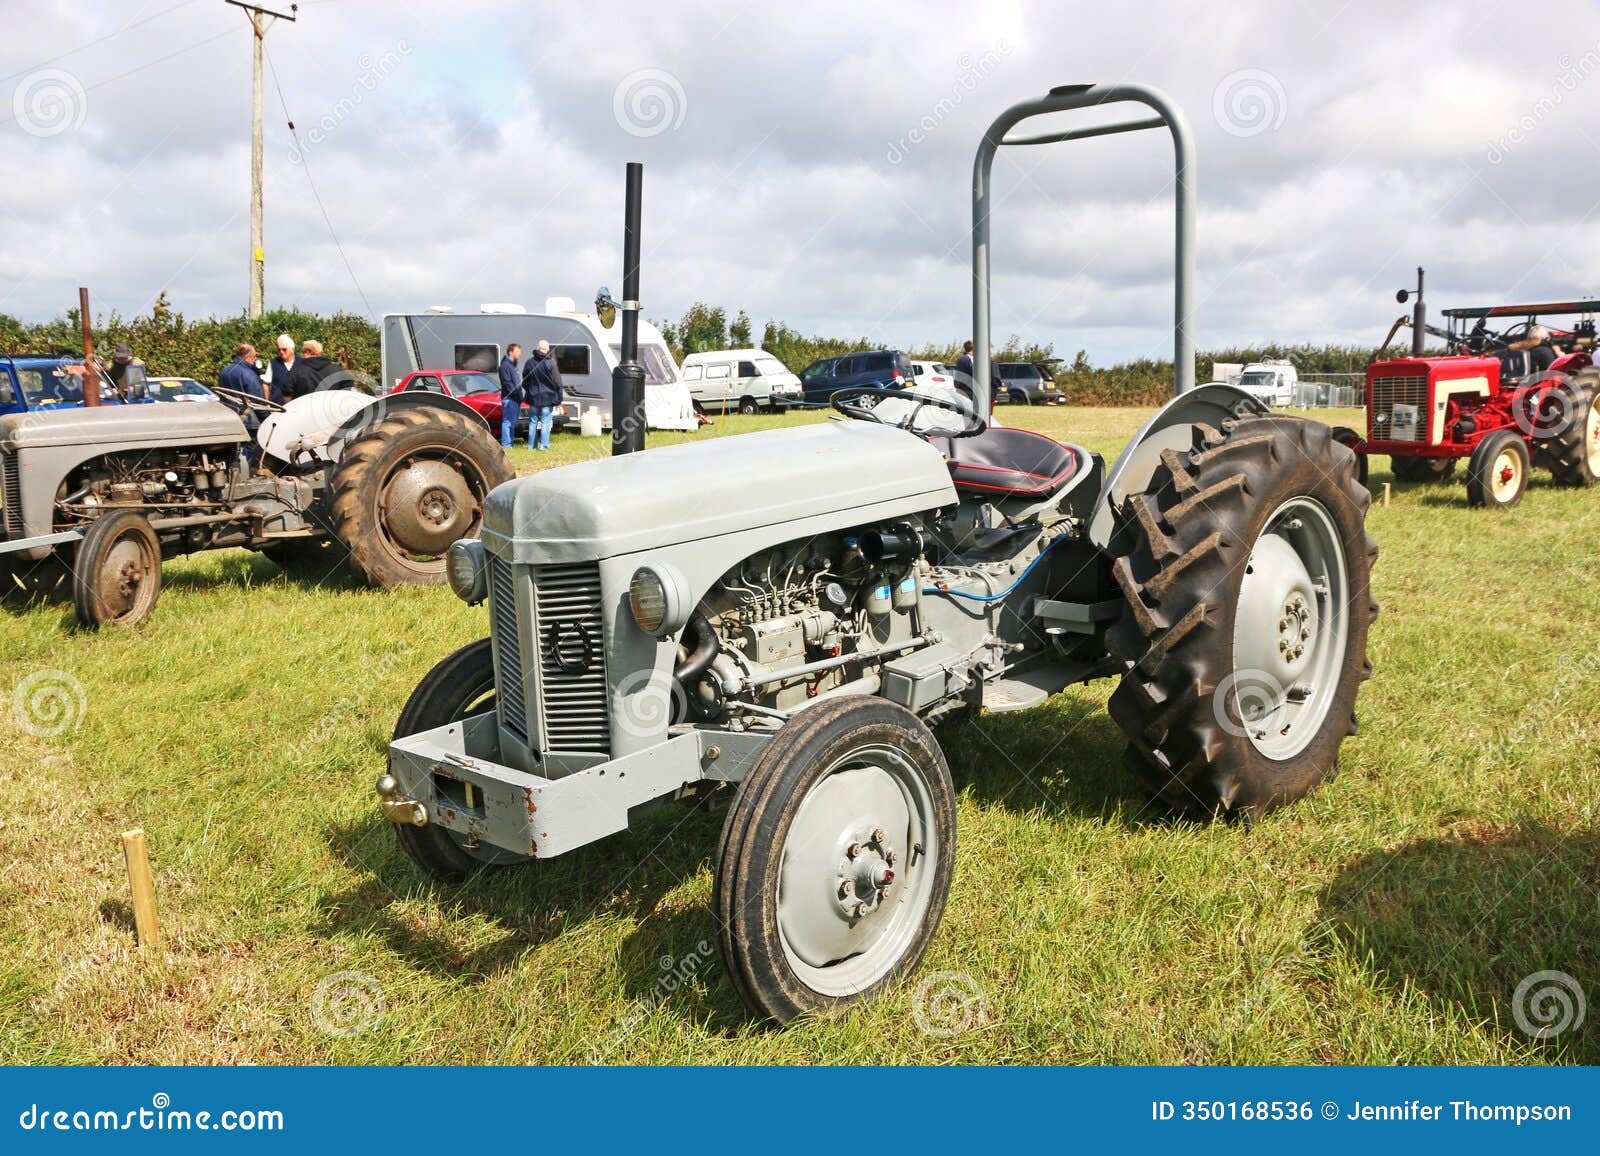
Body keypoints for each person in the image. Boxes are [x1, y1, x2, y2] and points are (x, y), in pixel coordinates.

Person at [218, 343, 266, 461]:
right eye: (254, 357)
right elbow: (257, 399)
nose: (255, 360)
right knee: (254, 448)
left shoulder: (225, 370)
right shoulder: (248, 374)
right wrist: (267, 418)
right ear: (247, 357)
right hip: (249, 421)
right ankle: (248, 472)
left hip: (230, 418)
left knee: (234, 450)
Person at [521, 339, 563, 451]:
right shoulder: (551, 362)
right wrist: (559, 398)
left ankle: (531, 446)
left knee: (533, 422)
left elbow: (525, 380)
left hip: (534, 397)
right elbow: (558, 381)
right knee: (545, 422)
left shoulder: (529, 362)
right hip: (548, 398)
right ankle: (544, 446)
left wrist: (529, 390)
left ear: (537, 348)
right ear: (547, 350)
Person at [498, 342, 524, 448]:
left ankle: (510, 443)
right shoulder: (505, 366)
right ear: (510, 352)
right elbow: (507, 383)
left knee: (512, 423)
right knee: (508, 422)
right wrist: (516, 396)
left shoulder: (513, 365)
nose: (520, 354)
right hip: (510, 399)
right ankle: (506, 445)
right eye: (518, 352)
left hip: (516, 399)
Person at [268, 334, 300, 403]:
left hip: (298, 406)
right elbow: (266, 385)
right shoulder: (273, 363)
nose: (281, 352)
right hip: (277, 407)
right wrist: (267, 403)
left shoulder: (302, 363)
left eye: (284, 349)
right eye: (279, 350)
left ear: (292, 349)